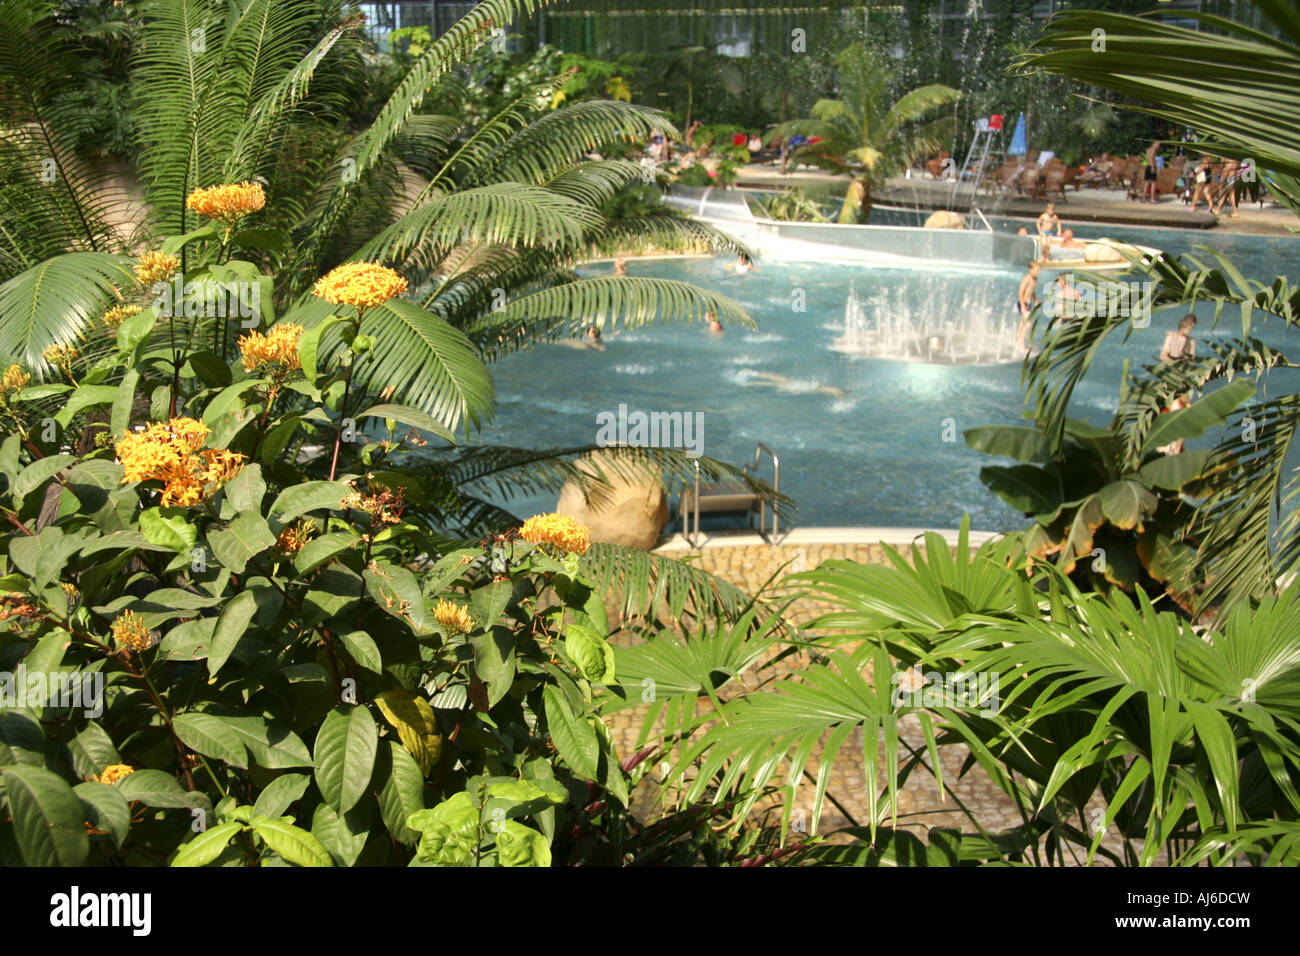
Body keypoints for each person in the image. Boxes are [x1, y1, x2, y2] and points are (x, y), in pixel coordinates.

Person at [1016, 261, 1041, 351]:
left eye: (1039, 271)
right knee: (1029, 324)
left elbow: (1032, 291)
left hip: (1029, 304)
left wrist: (1036, 301)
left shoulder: (1035, 279)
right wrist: (1023, 305)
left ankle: (1018, 342)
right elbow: (1021, 292)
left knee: (1023, 324)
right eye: (1037, 270)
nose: (1038, 273)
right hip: (1023, 303)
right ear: (1030, 270)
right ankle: (1021, 344)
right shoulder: (1027, 279)